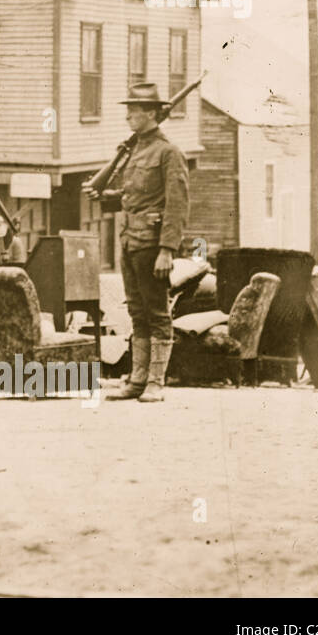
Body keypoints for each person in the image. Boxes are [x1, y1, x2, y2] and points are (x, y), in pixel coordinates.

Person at [89, 82, 190, 402]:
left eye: (135, 110)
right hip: (129, 240)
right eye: (129, 109)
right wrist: (105, 197)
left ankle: (156, 382)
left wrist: (167, 250)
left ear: (151, 113)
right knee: (136, 311)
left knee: (157, 312)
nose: (129, 115)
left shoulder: (169, 152)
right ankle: (137, 379)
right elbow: (134, 195)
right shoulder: (136, 149)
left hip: (152, 244)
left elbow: (177, 204)